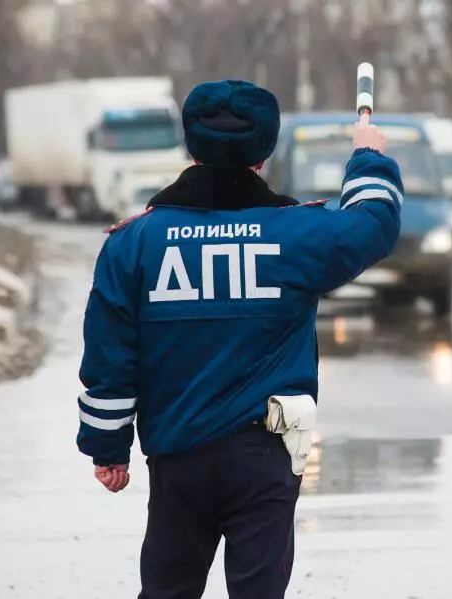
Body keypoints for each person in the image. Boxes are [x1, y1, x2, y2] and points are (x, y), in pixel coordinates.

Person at [76, 79, 403, 598]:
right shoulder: (296, 234)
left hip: (177, 456)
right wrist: (367, 154)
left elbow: (111, 357)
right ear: (265, 150)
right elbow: (375, 225)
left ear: (191, 144)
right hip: (264, 458)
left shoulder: (134, 242)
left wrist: (107, 448)